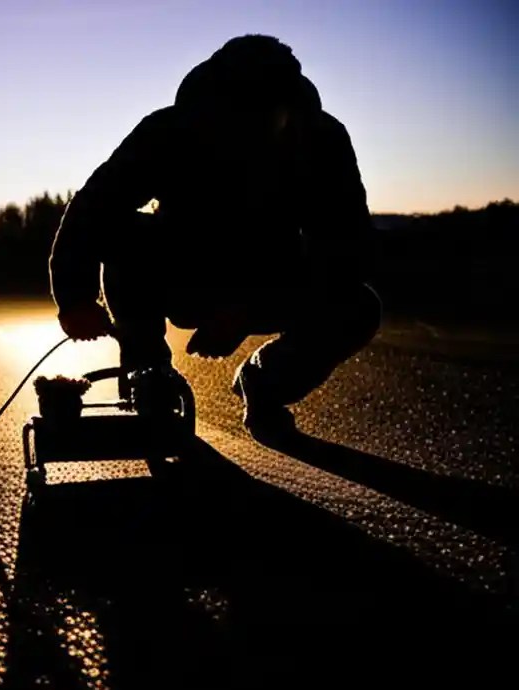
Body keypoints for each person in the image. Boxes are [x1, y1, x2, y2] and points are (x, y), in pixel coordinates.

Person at [49, 34, 382, 441]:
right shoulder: (167, 132)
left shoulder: (322, 141)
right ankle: (148, 375)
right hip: (181, 271)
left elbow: (348, 247)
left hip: (272, 275)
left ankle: (266, 382)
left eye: (264, 112)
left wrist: (246, 310)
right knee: (126, 236)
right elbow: (93, 210)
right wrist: (75, 299)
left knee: (357, 307)